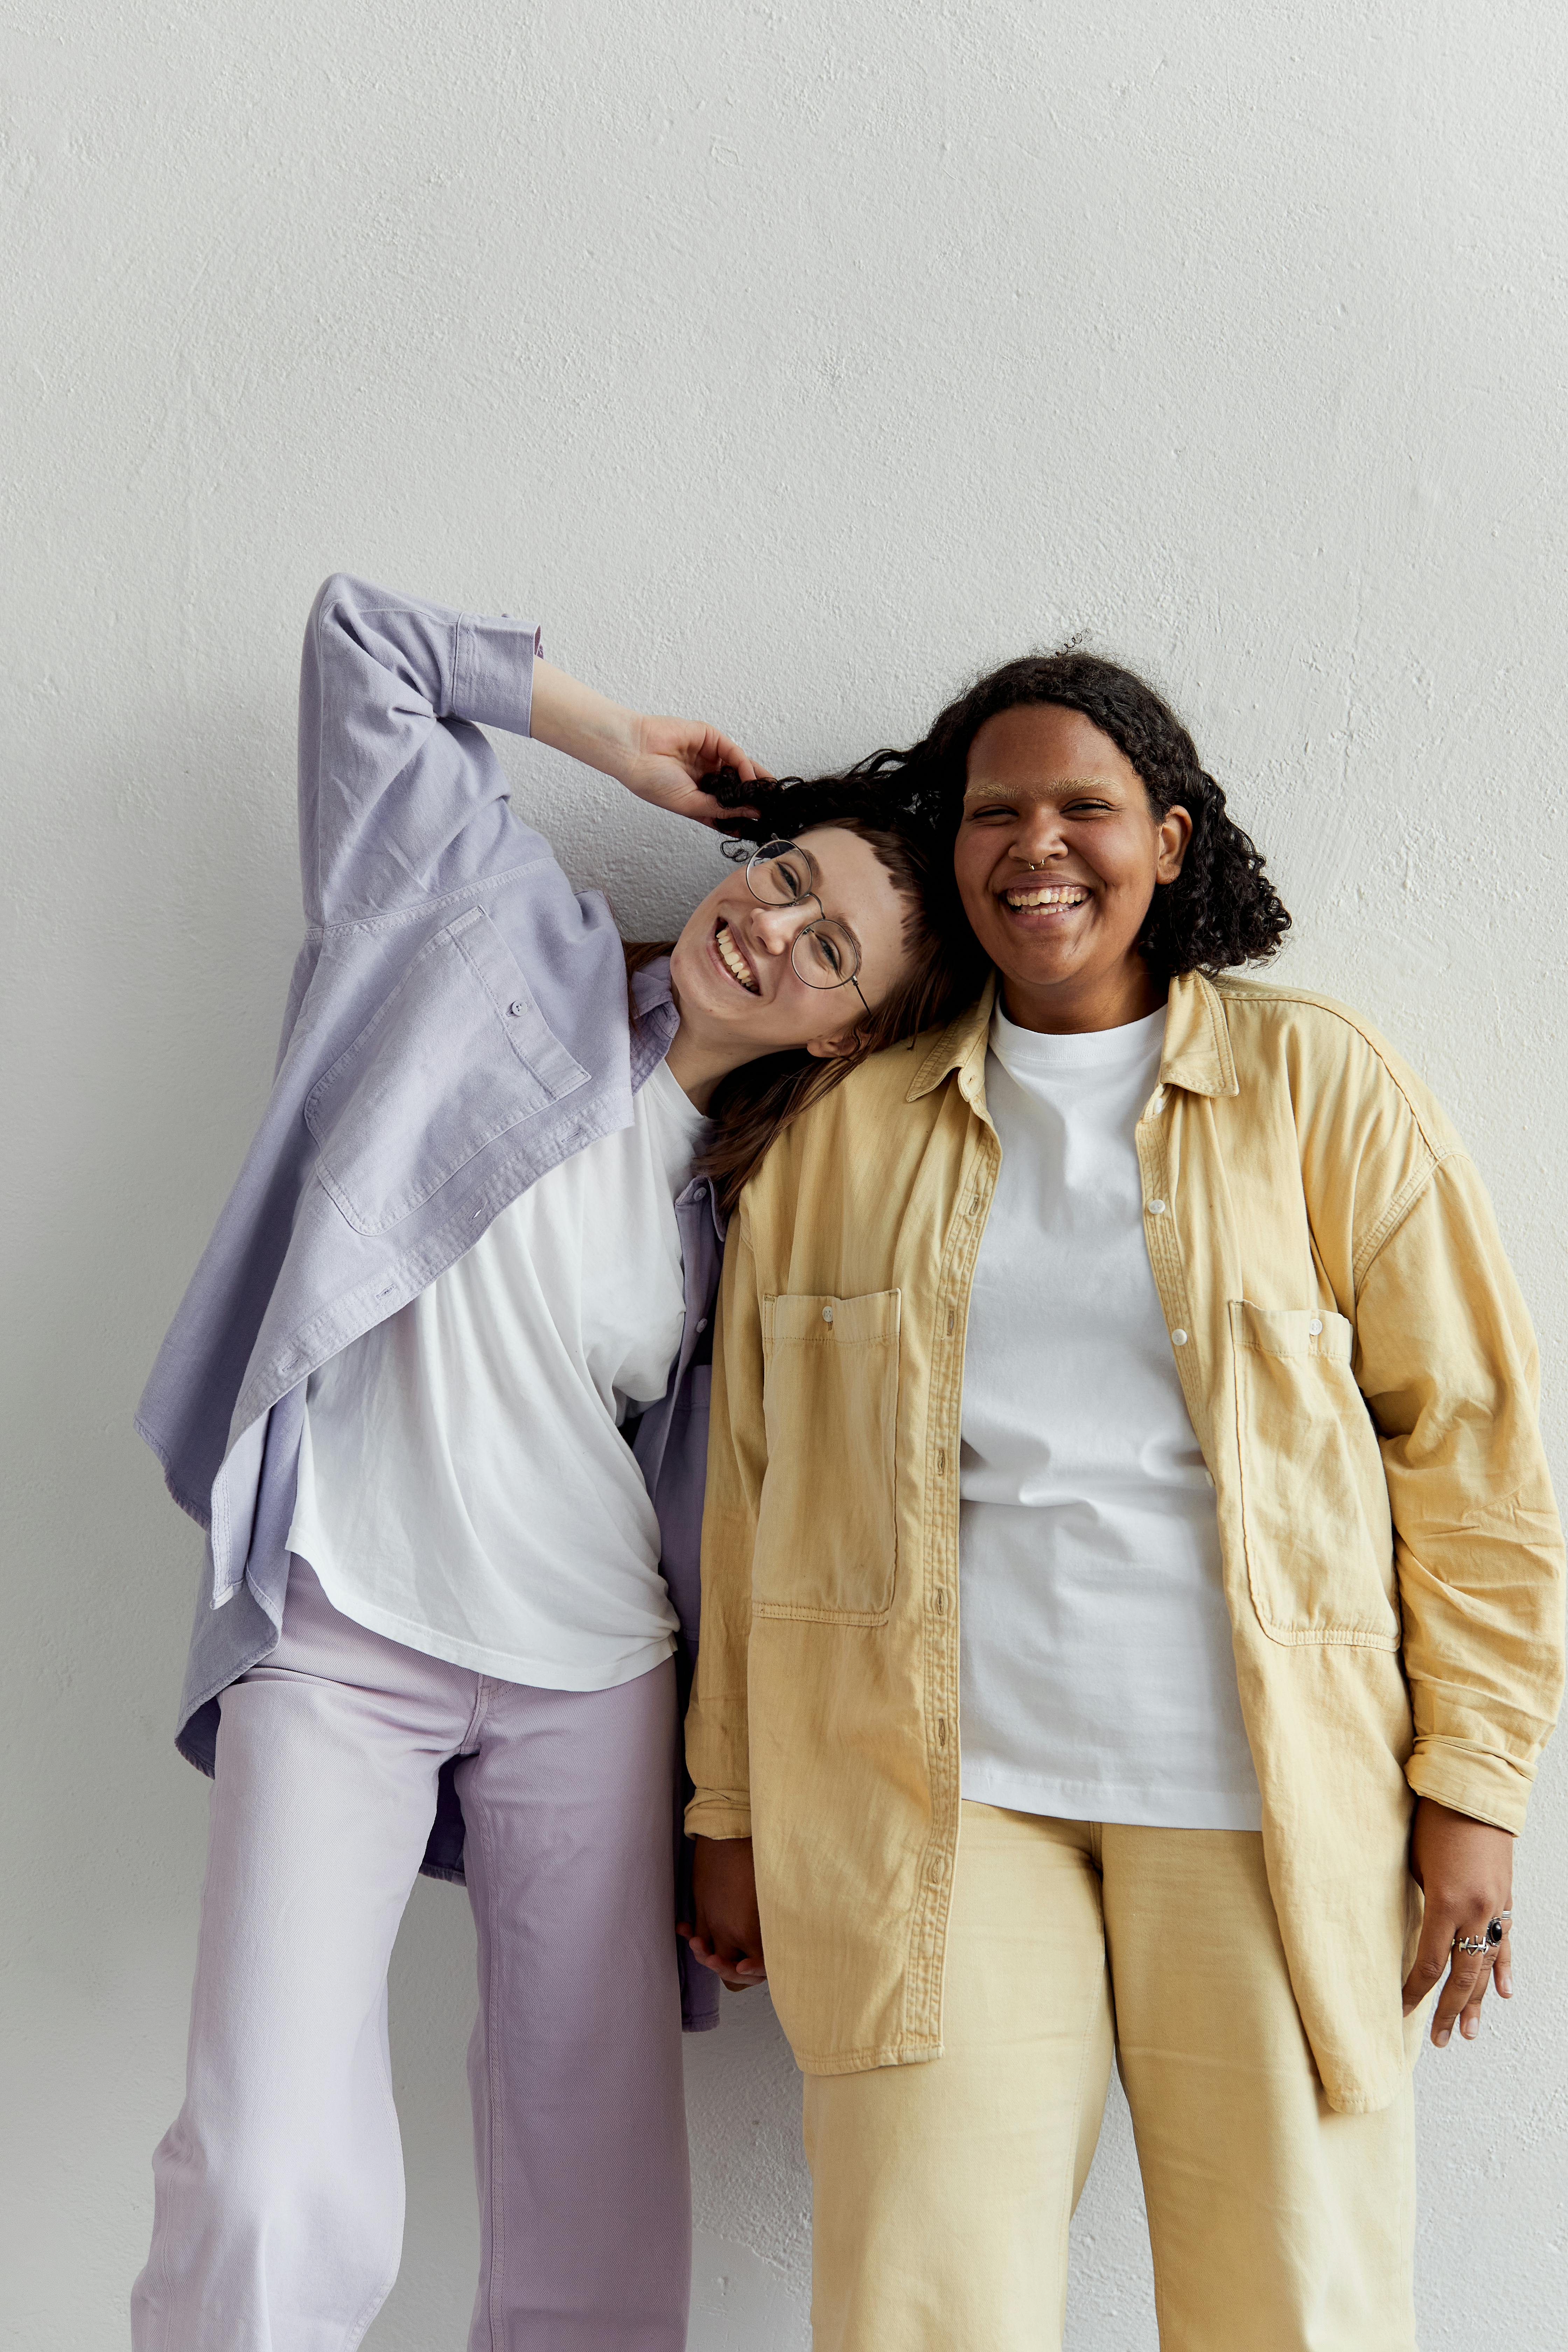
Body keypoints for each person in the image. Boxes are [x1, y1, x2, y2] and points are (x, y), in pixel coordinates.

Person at [684, 651, 1566, 2350]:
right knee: (917, 2309)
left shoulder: (1320, 1091)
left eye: (1085, 808)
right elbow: (752, 1489)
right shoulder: (849, 1131)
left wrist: (1476, 1780)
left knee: (1288, 2308)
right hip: (931, 1806)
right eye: (996, 813)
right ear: (952, 856)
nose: (1040, 847)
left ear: (1167, 840)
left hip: (1265, 1805)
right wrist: (726, 1809)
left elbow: (1471, 1444)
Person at [131, 573, 972, 2352]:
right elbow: (360, 641)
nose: (780, 929)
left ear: (850, 1036)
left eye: (833, 952)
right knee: (273, 2175)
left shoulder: (760, 1208)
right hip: (342, 1624)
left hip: (592, 1677)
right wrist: (613, 740)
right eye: (791, 878)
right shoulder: (482, 923)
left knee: (593, 2222)